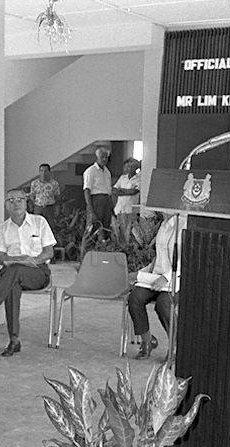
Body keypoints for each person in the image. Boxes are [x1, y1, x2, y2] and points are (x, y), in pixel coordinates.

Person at [0, 188, 56, 357]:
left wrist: (32, 261)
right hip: (12, 274)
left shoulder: (40, 221)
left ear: (26, 201)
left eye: (20, 199)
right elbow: (0, 258)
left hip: (37, 272)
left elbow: (49, 252)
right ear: (6, 205)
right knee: (12, 282)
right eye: (11, 200)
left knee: (13, 272)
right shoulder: (3, 229)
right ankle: (14, 340)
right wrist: (21, 259)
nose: (16, 203)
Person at [127, 214, 186, 359]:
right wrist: (141, 273)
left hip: (175, 279)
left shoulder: (184, 224)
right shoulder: (163, 224)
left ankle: (175, 346)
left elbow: (185, 258)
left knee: (163, 304)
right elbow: (158, 258)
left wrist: (166, 277)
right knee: (135, 298)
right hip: (155, 276)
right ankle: (147, 341)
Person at [83, 147, 113, 240]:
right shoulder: (91, 171)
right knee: (93, 226)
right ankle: (87, 251)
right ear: (97, 157)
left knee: (105, 226)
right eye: (102, 157)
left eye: (106, 157)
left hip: (106, 201)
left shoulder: (107, 171)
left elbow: (109, 190)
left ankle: (103, 248)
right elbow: (87, 190)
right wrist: (91, 209)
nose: (104, 159)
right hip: (96, 200)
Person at [113, 158, 142, 244]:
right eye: (126, 166)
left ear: (135, 167)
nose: (128, 169)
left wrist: (121, 190)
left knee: (130, 234)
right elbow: (114, 190)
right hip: (120, 209)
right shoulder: (122, 178)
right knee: (119, 233)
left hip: (130, 210)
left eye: (130, 166)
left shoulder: (139, 178)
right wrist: (126, 191)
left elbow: (134, 191)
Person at [28, 163, 60, 230]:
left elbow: (57, 196)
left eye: (45, 171)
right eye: (41, 171)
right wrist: (34, 205)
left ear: (49, 172)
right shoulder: (34, 183)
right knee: (37, 226)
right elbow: (32, 195)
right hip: (38, 207)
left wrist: (57, 207)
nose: (43, 173)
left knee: (49, 227)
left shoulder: (54, 183)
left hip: (49, 207)